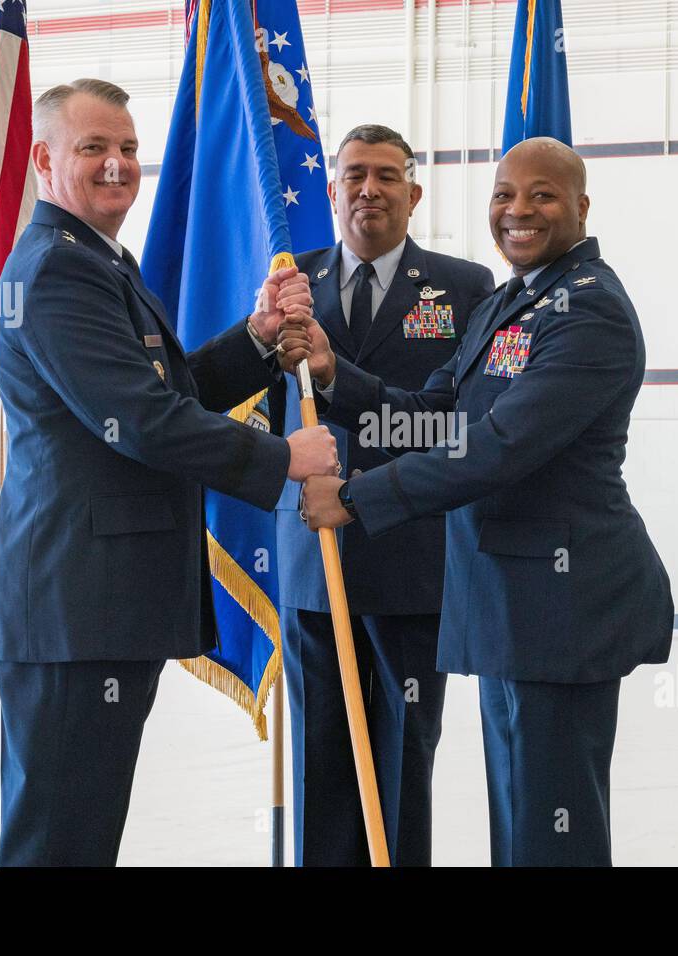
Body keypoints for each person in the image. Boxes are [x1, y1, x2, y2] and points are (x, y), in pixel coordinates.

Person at [0, 78, 338, 866]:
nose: (117, 165)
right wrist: (284, 460)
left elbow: (161, 394)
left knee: (76, 831)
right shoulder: (55, 272)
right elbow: (141, 422)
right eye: (94, 148)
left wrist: (256, 334)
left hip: (94, 609)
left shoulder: (101, 261)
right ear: (43, 158)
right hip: (75, 610)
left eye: (129, 149)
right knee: (59, 841)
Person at [289, 136, 674, 866]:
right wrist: (334, 374)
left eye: (542, 194)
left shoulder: (588, 315)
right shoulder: (513, 302)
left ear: (582, 208)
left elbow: (498, 446)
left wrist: (359, 498)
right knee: (523, 817)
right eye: (503, 194)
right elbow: (439, 416)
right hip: (510, 603)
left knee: (550, 827)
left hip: (563, 606)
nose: (517, 210)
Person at [270, 124, 494, 866]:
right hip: (314, 558)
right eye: (355, 175)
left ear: (414, 192)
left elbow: (445, 422)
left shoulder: (463, 288)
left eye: (387, 176)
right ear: (331, 190)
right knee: (319, 754)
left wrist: (340, 381)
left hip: (409, 561)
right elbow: (269, 418)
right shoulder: (287, 280)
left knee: (402, 754)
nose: (370, 189)